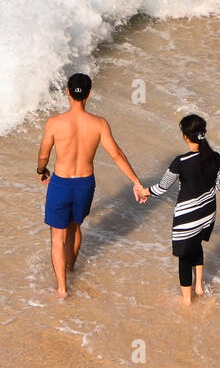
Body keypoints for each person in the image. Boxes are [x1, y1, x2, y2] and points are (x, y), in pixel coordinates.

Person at [37, 73, 149, 297]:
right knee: (75, 228)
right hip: (85, 184)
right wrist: (136, 182)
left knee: (57, 238)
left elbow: (43, 155)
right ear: (89, 94)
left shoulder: (55, 123)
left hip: (61, 183)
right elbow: (117, 155)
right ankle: (71, 268)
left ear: (67, 92)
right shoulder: (98, 124)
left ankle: (62, 289)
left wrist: (41, 171)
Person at [145, 114, 220, 307]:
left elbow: (162, 187)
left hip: (188, 214)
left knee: (184, 255)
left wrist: (144, 191)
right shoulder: (216, 158)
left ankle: (187, 300)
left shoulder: (181, 161)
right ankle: (199, 286)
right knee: (196, 243)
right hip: (208, 211)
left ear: (185, 136)